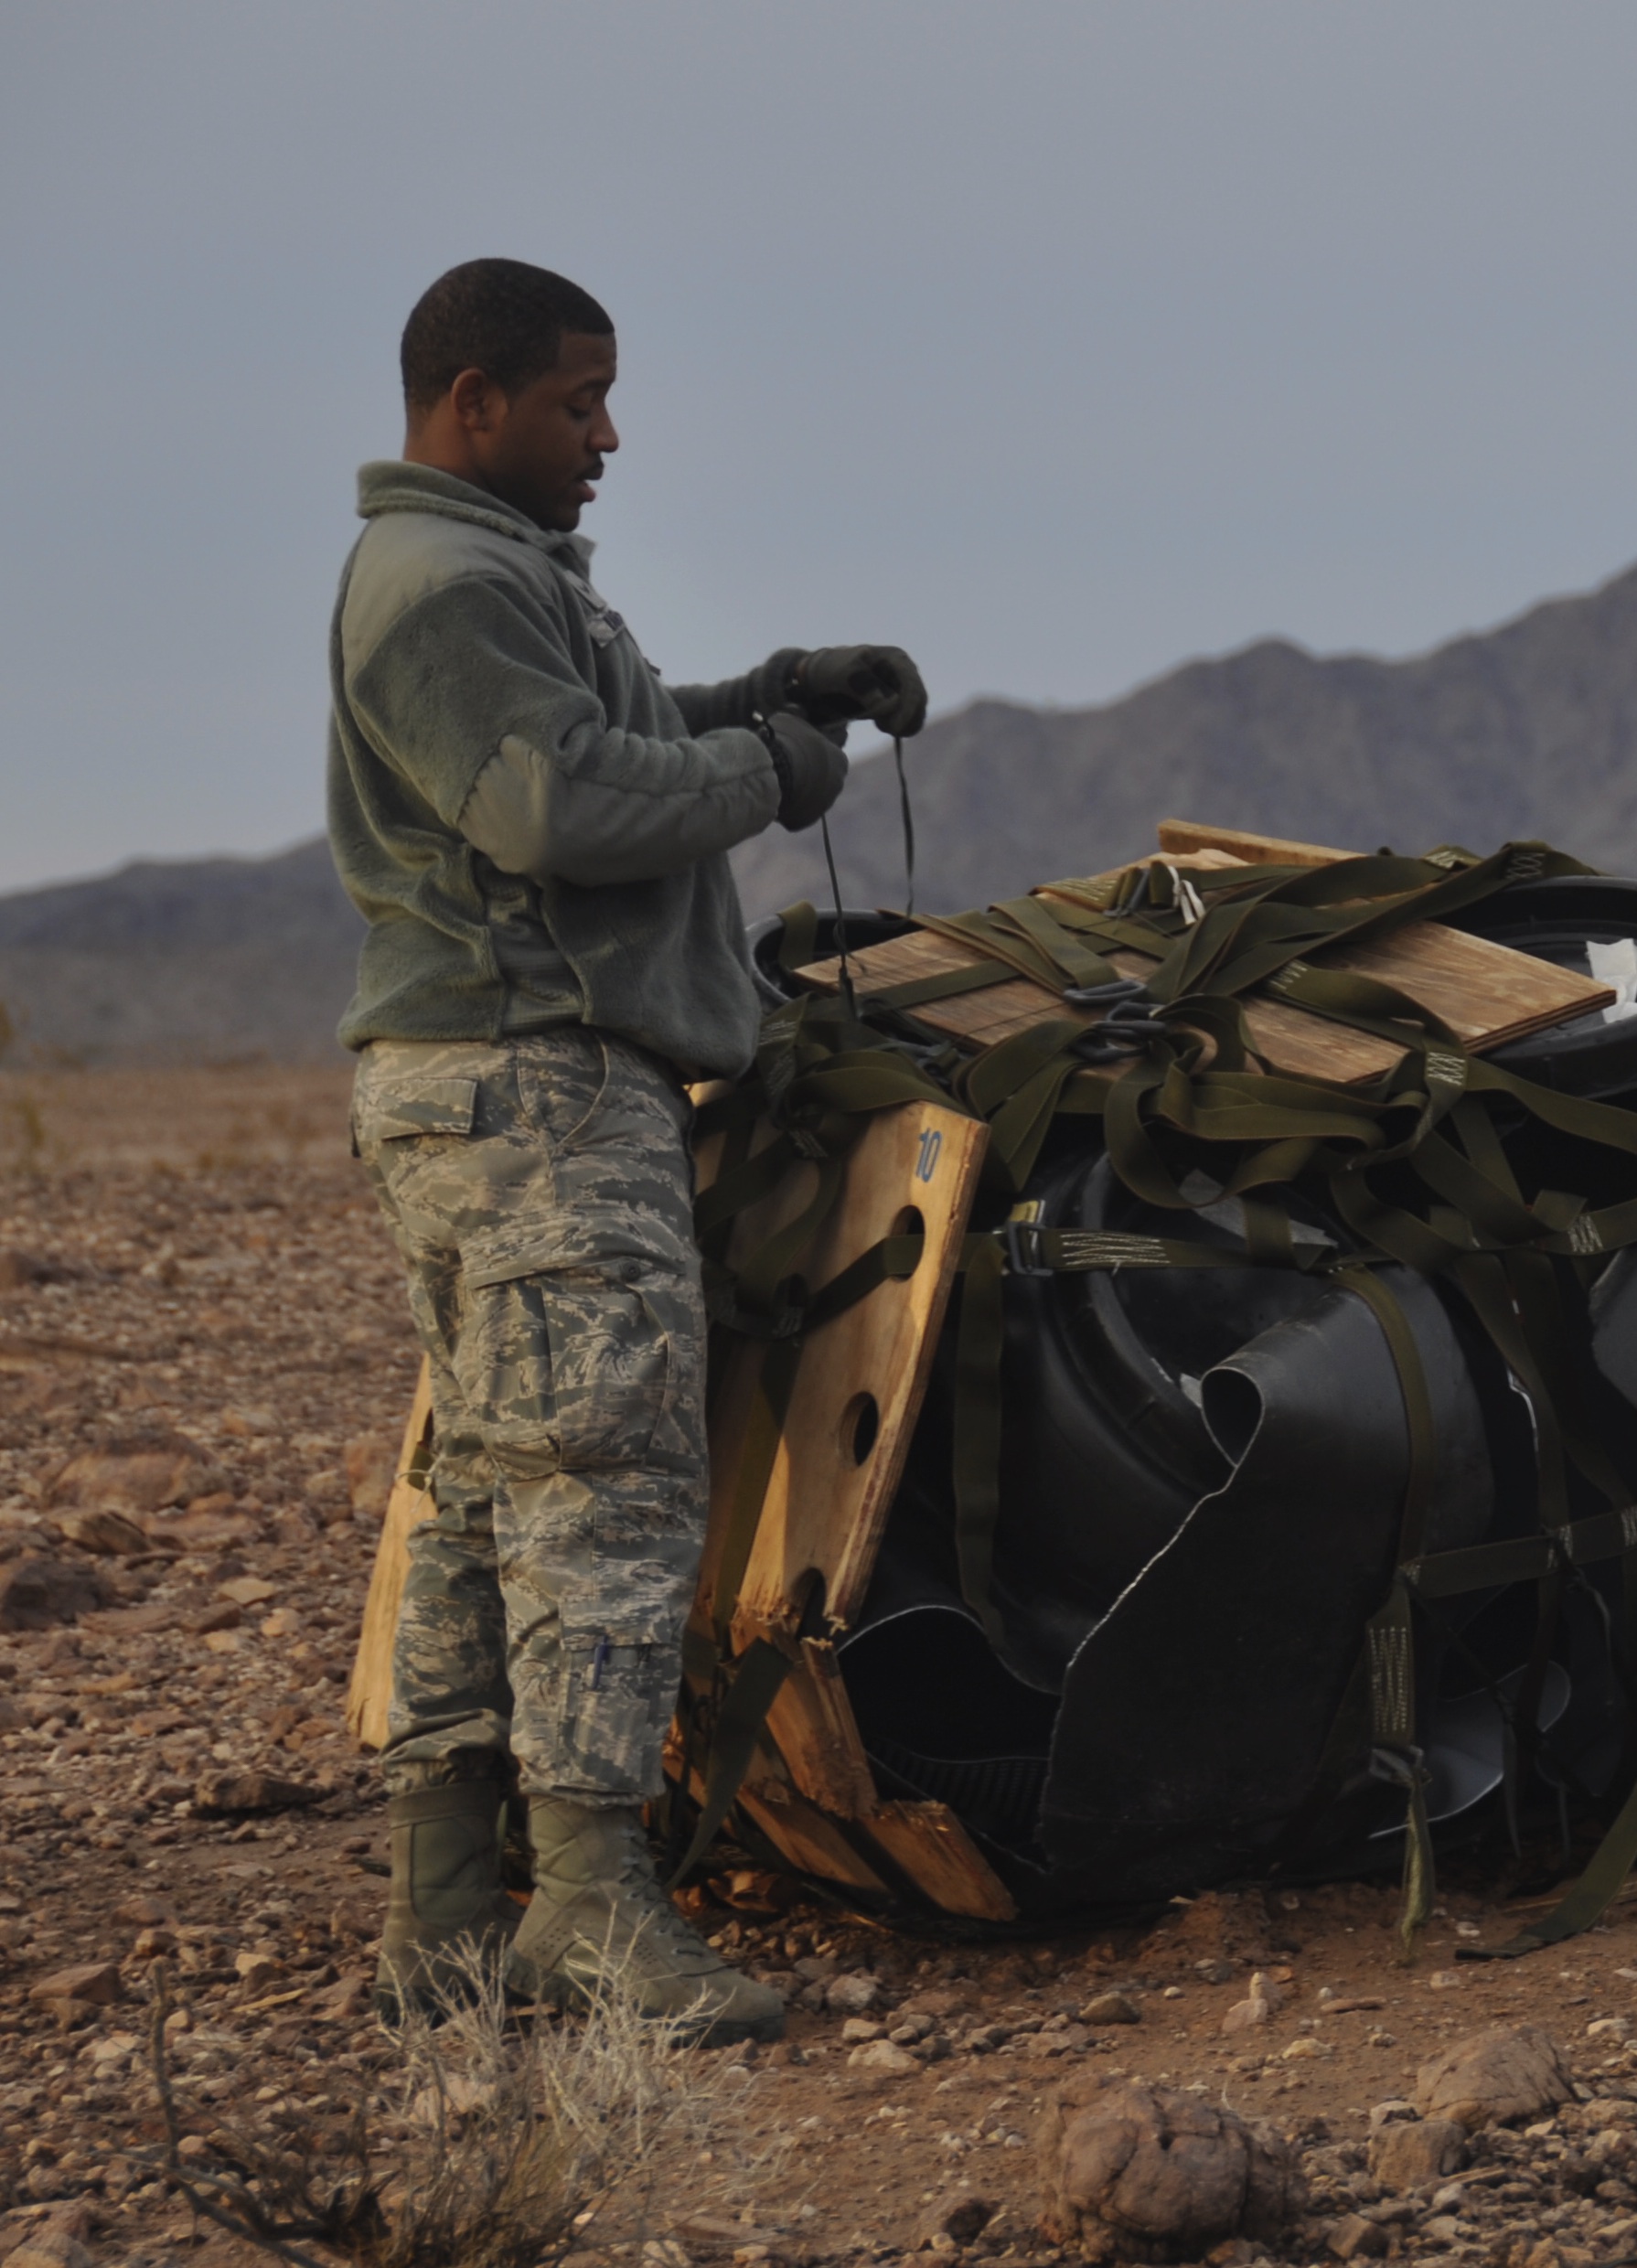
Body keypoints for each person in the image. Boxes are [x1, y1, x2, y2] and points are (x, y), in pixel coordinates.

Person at [326, 257, 926, 2043]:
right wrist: (770, 767)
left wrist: (772, 693)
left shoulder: (494, 576)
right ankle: (589, 1908)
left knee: (494, 1489)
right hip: (530, 1094)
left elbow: (610, 743)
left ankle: (442, 1923)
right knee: (602, 1477)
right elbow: (561, 804)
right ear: (473, 403)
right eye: (578, 401)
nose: (610, 435)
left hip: (490, 1087)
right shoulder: (438, 586)